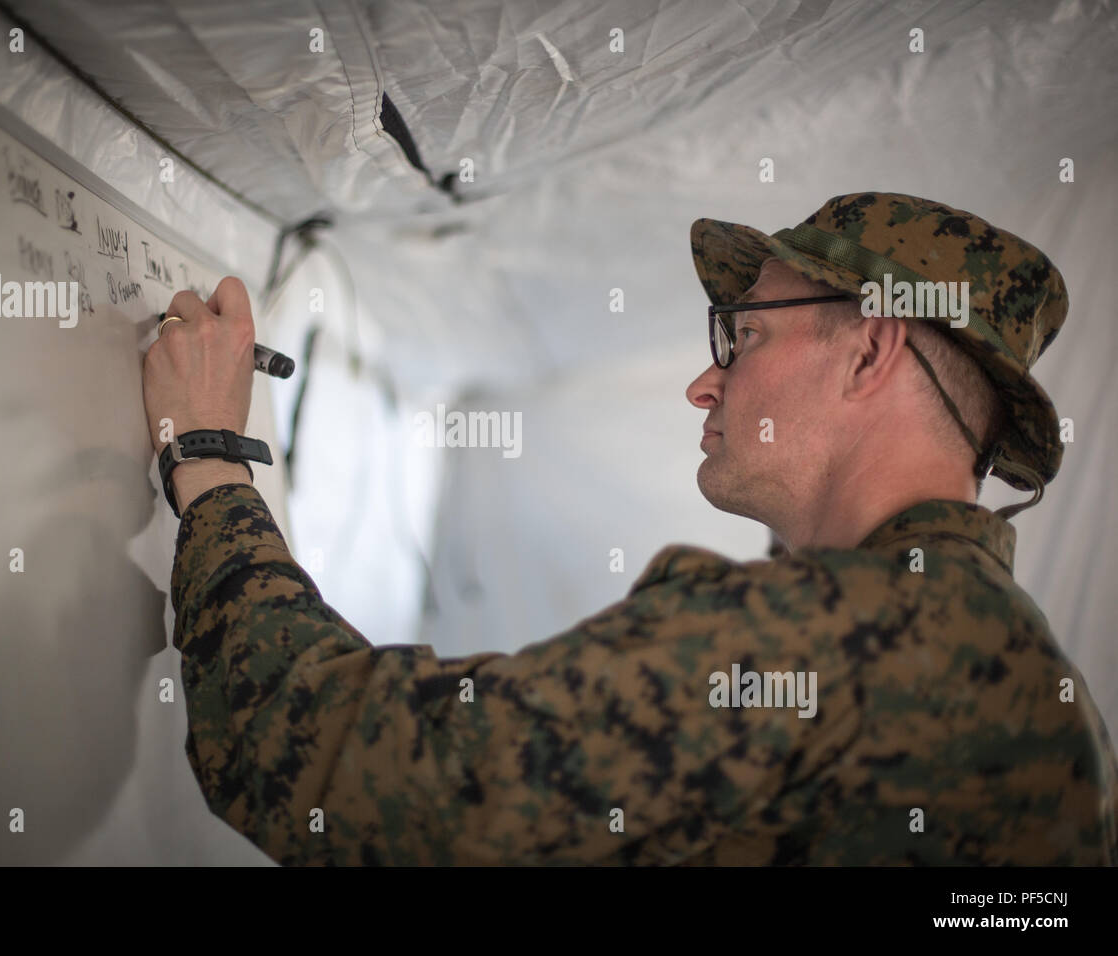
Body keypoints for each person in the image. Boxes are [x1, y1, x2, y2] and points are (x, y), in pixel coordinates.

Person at [142, 192, 1118, 866]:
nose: (706, 380)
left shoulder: (816, 637)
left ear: (867, 351)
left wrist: (211, 458)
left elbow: (341, 768)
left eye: (743, 336)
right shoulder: (1059, 703)